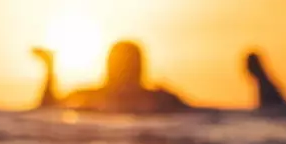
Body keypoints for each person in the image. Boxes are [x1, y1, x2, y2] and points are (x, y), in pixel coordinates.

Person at [31, 40, 190, 114]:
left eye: (130, 64)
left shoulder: (162, 99)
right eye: (121, 64)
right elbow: (48, 111)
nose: (126, 70)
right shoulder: (87, 96)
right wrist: (49, 69)